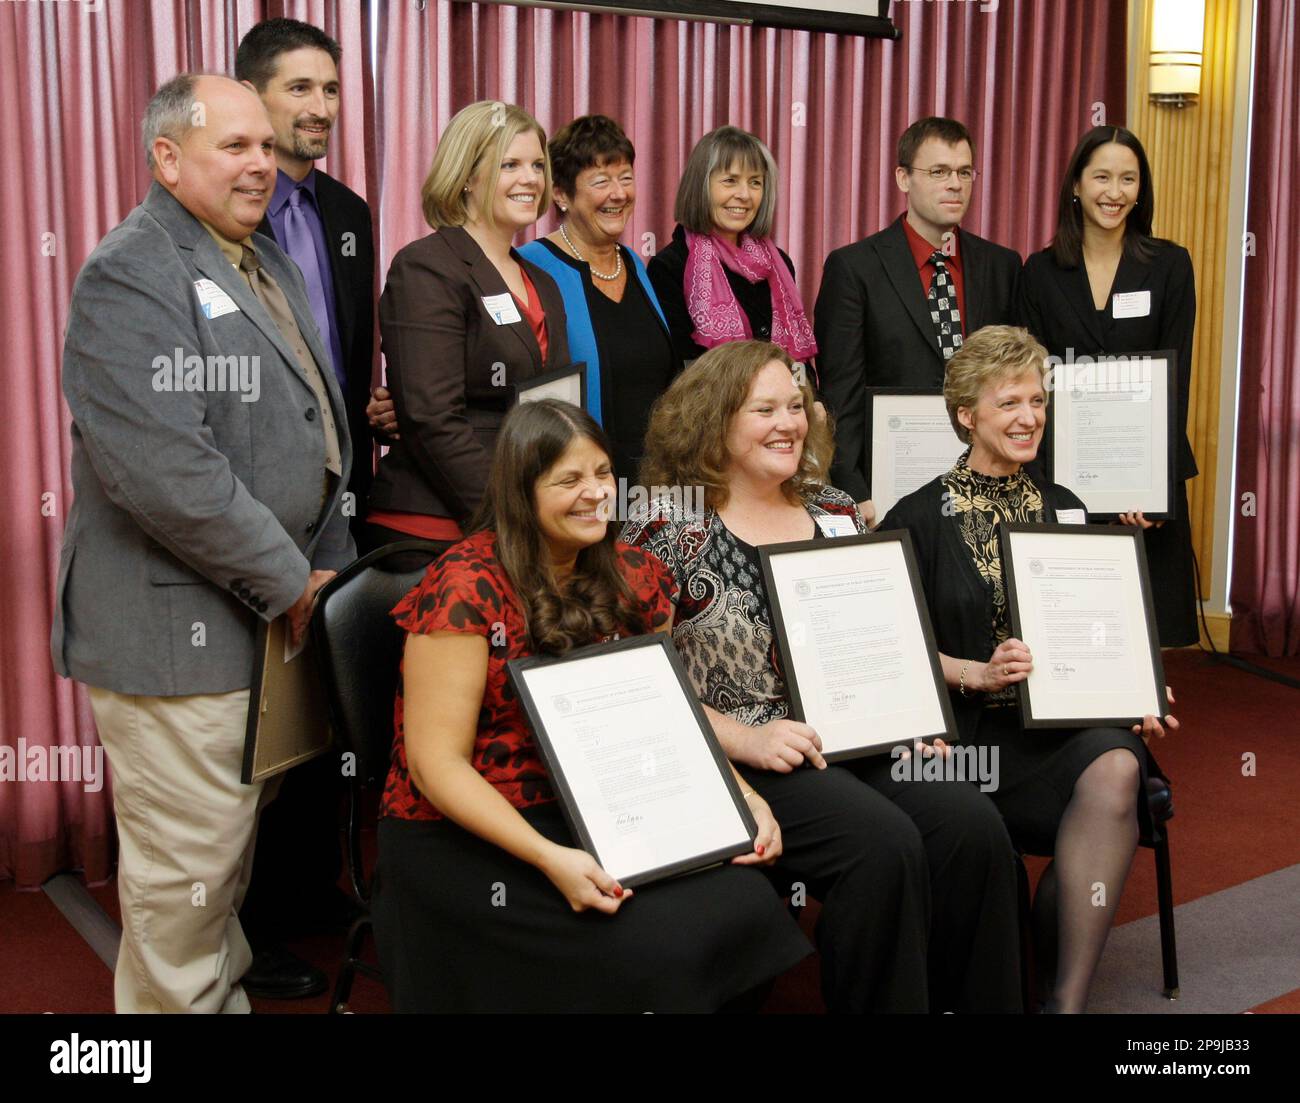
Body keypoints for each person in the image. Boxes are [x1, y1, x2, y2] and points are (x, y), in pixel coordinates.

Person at [50, 73, 356, 1013]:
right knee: (183, 890)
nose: (263, 163)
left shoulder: (261, 259)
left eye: (267, 145)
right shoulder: (132, 269)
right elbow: (164, 472)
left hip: (261, 628)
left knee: (217, 876)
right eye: (236, 145)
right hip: (182, 637)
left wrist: (328, 580)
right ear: (167, 158)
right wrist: (293, 583)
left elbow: (303, 421)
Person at [370, 399, 810, 1012]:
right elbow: (434, 766)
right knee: (661, 947)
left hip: (606, 798)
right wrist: (551, 859)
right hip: (473, 827)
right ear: (522, 492)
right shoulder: (464, 584)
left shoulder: (633, 570)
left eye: (603, 474)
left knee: (747, 908)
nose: (595, 494)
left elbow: (671, 711)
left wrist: (745, 797)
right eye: (569, 480)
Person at [622, 340, 1022, 1013]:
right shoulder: (667, 525)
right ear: (714, 419)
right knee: (884, 846)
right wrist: (743, 740)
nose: (789, 422)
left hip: (857, 736)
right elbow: (643, 683)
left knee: (974, 827)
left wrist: (908, 713)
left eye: (796, 406)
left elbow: (880, 633)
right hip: (750, 754)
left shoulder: (834, 509)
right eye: (764, 409)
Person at [878, 325, 1179, 1013]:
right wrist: (975, 672)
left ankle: (1063, 1004)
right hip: (962, 740)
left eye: (1037, 401)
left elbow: (1099, 628)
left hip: (1055, 729)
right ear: (966, 414)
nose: (1029, 417)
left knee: (1119, 762)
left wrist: (1136, 684)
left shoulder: (1063, 506)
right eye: (1009, 402)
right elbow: (889, 653)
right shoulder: (916, 517)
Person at [234, 15, 378, 1002]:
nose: (320, 106)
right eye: (298, 89)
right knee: (246, 727)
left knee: (315, 709)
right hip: (249, 501)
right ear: (254, 100)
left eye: (329, 88)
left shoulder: (350, 211)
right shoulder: (224, 217)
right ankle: (243, 924)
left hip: (338, 499)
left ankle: (304, 886)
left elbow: (347, 343)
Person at [1018, 125, 1199, 647]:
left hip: (1142, 472)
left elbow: (1176, 377)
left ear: (1141, 190)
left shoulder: (1169, 265)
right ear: (1076, 184)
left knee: (1143, 627)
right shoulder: (1040, 271)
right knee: (1069, 623)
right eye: (1101, 177)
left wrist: (1152, 484)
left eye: (1128, 179)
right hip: (1062, 472)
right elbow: (1033, 379)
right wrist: (1044, 481)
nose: (1113, 192)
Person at [364, 100, 572, 551]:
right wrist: (510, 519)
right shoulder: (427, 266)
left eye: (538, 164)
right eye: (509, 164)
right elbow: (430, 419)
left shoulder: (543, 281)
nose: (531, 179)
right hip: (436, 525)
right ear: (466, 177)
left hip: (522, 518)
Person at [814, 117, 1021, 524]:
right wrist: (852, 489)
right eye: (939, 171)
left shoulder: (1003, 267)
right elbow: (842, 394)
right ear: (903, 178)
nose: (955, 184)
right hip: (889, 489)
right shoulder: (854, 268)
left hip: (986, 487)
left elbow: (1015, 382)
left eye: (964, 172)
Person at [518, 115, 679, 480]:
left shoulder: (635, 264)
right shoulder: (532, 266)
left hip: (653, 487)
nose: (619, 194)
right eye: (601, 181)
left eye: (625, 178)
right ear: (560, 193)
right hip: (579, 485)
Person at [647, 126, 818, 375]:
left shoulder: (779, 262)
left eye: (755, 182)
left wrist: (809, 402)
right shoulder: (670, 267)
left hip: (783, 408)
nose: (744, 195)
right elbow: (681, 371)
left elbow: (799, 368)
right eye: (730, 181)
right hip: (713, 411)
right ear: (701, 186)